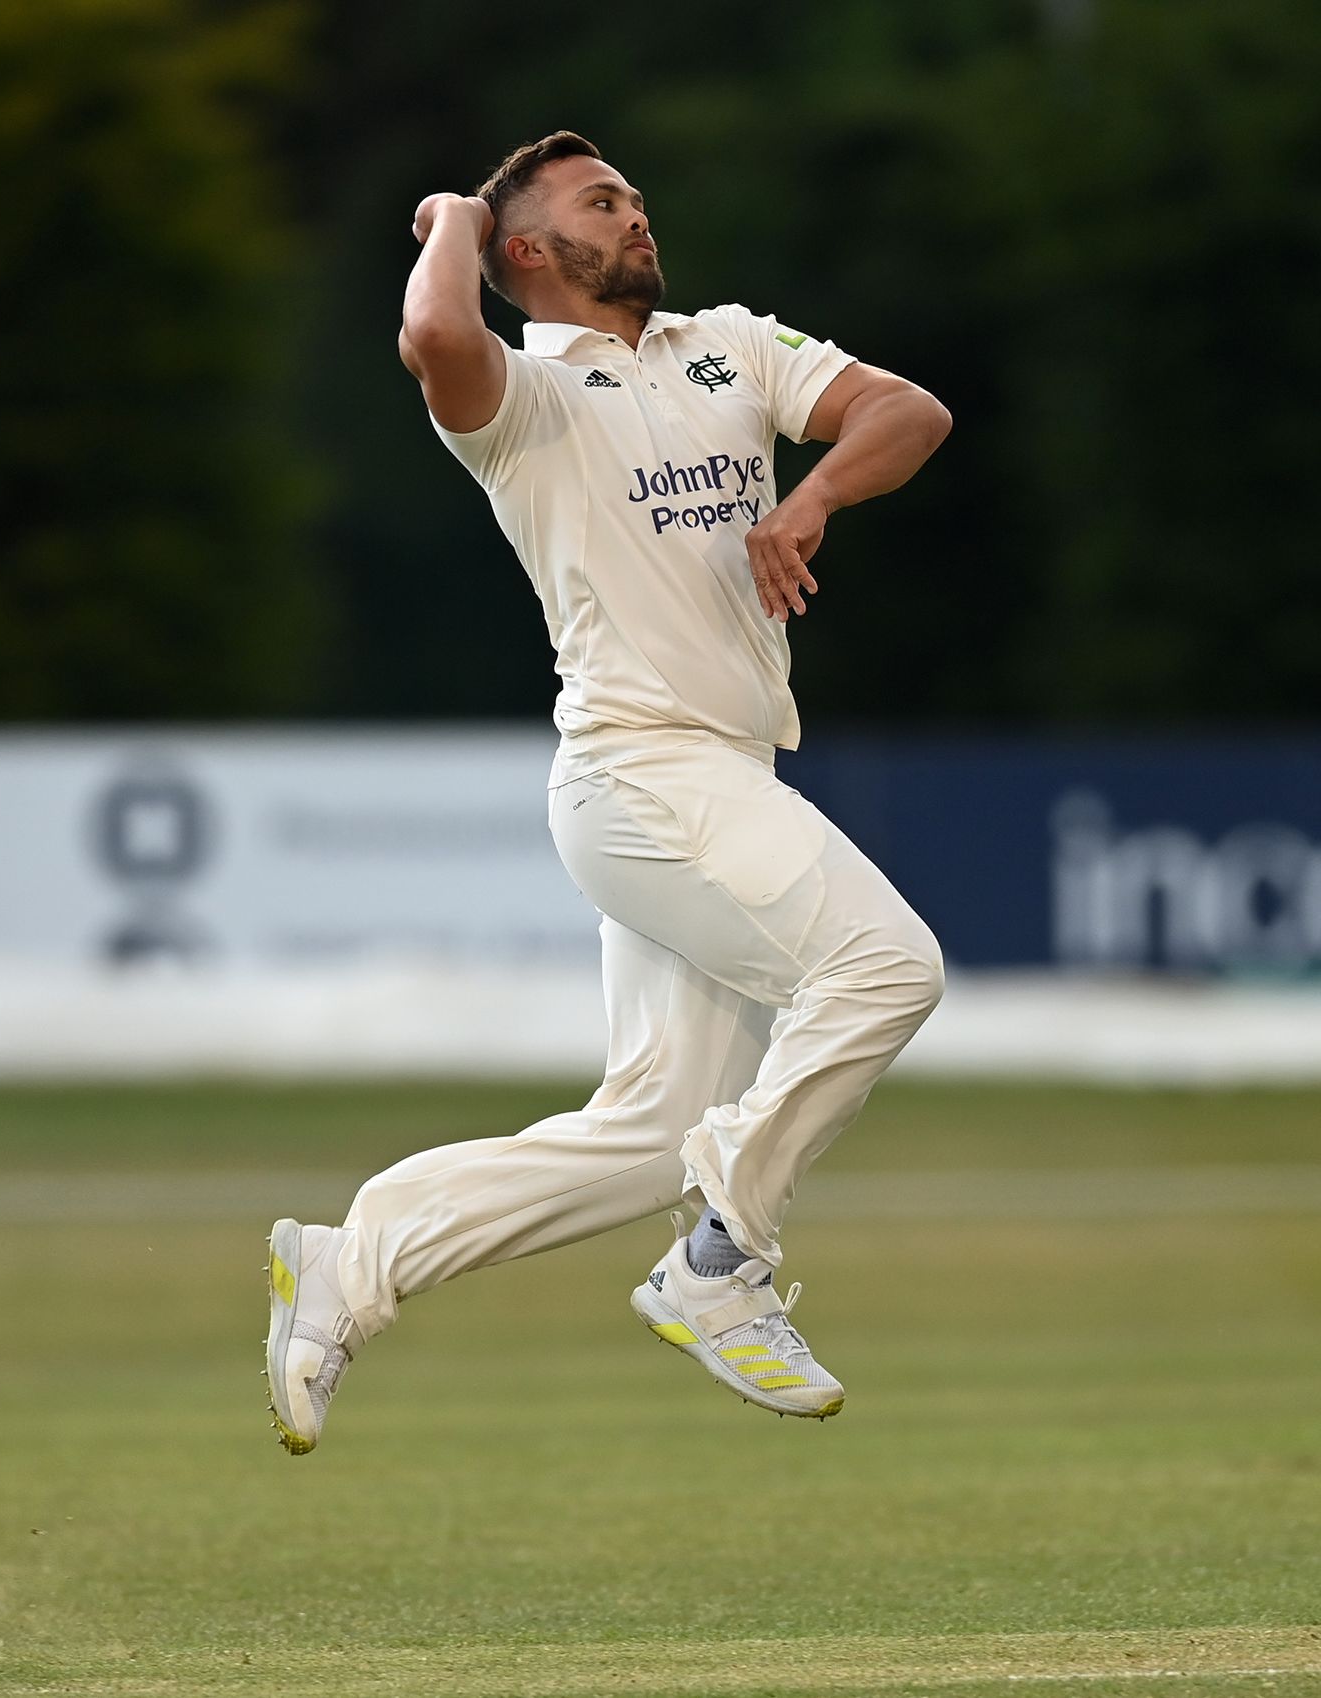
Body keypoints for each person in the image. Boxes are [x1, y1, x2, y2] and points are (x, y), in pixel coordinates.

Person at [264, 131, 951, 1453]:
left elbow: (907, 412)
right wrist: (452, 220)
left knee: (649, 1137)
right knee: (884, 968)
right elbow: (430, 340)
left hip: (718, 774)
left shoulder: (729, 344)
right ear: (527, 252)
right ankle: (719, 1262)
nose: (635, 214)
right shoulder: (526, 402)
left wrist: (809, 500)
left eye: (633, 195)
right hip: (644, 770)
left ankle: (354, 1255)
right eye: (599, 203)